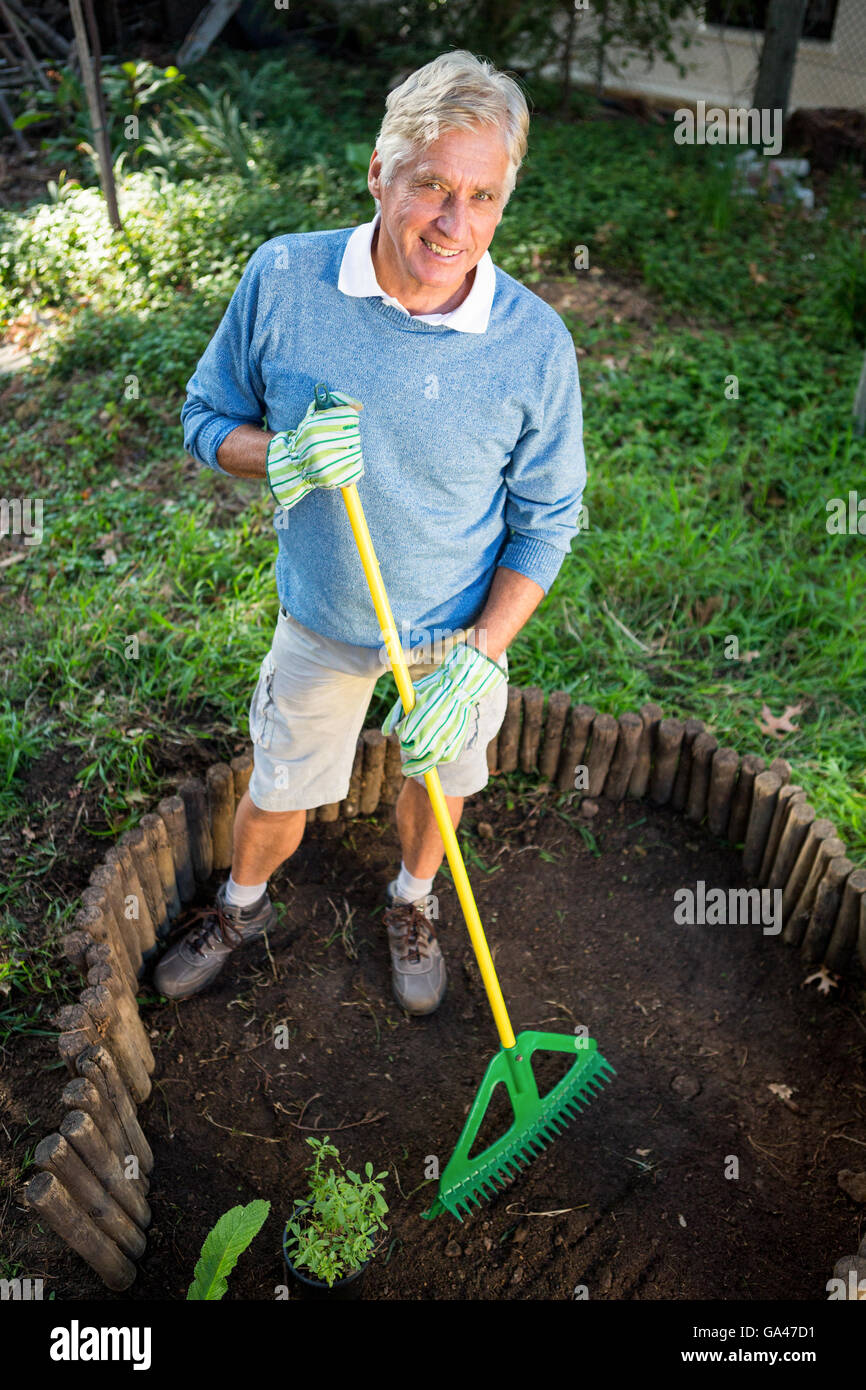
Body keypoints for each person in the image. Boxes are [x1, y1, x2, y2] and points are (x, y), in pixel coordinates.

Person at [155, 50, 587, 1016]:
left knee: (439, 789)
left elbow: (549, 516)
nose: (453, 224)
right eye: (431, 185)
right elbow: (203, 415)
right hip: (322, 616)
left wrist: (483, 652)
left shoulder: (533, 343)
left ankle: (412, 898)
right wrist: (278, 456)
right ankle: (242, 904)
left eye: (481, 198)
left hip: (455, 636)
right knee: (280, 788)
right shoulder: (286, 277)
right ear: (378, 174)